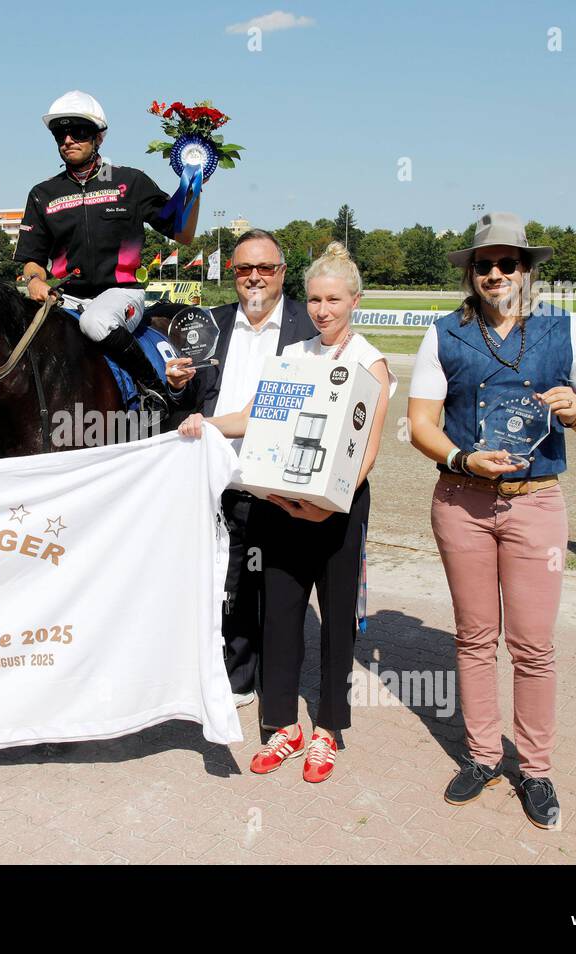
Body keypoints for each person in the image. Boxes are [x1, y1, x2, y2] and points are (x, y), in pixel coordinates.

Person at [406, 211, 576, 829]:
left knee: (533, 645)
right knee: (473, 637)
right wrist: (461, 455)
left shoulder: (565, 329)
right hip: (462, 500)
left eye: (508, 263)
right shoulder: (443, 333)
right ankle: (482, 755)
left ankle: (538, 770)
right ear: (471, 273)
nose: (496, 274)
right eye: (484, 265)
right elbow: (421, 423)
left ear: (527, 270)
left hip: (536, 499)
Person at [179, 243, 394, 782]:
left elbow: (366, 447)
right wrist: (204, 424)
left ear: (354, 301)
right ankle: (281, 727)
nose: (323, 310)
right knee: (280, 615)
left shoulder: (370, 361)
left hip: (336, 510)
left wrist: (332, 502)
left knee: (337, 619)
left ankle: (327, 729)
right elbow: (257, 417)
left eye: (334, 300)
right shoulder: (294, 356)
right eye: (316, 299)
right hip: (281, 502)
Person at [164, 229, 314, 709]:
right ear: (233, 274)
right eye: (244, 269)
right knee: (230, 581)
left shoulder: (309, 325)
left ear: (282, 272)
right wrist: (176, 385)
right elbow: (184, 408)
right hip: (221, 480)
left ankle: (281, 680)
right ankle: (238, 673)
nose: (254, 277)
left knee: (282, 585)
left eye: (265, 268)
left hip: (285, 481)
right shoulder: (209, 324)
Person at [15, 90, 201, 413]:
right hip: (66, 300)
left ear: (99, 137)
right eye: (61, 132)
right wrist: (33, 280)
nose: (69, 139)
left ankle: (154, 389)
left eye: (79, 131)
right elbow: (32, 260)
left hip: (120, 296)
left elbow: (182, 232)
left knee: (95, 323)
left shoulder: (131, 182)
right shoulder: (42, 194)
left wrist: (196, 180)